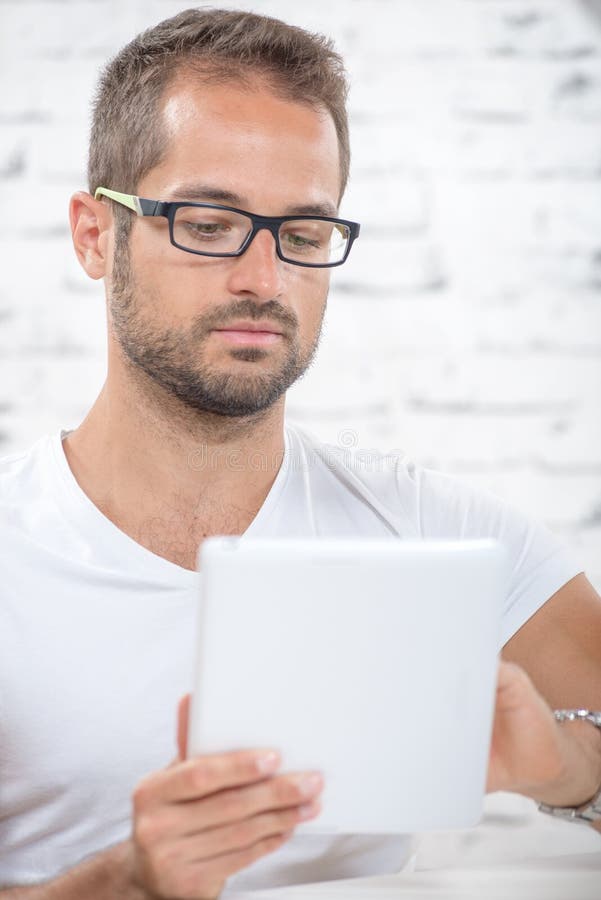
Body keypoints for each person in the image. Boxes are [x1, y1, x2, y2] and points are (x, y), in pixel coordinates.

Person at [1, 7, 600, 899]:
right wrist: (126, 882)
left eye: (304, 236)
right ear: (96, 235)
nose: (264, 279)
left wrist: (565, 767)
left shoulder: (434, 534)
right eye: (208, 223)